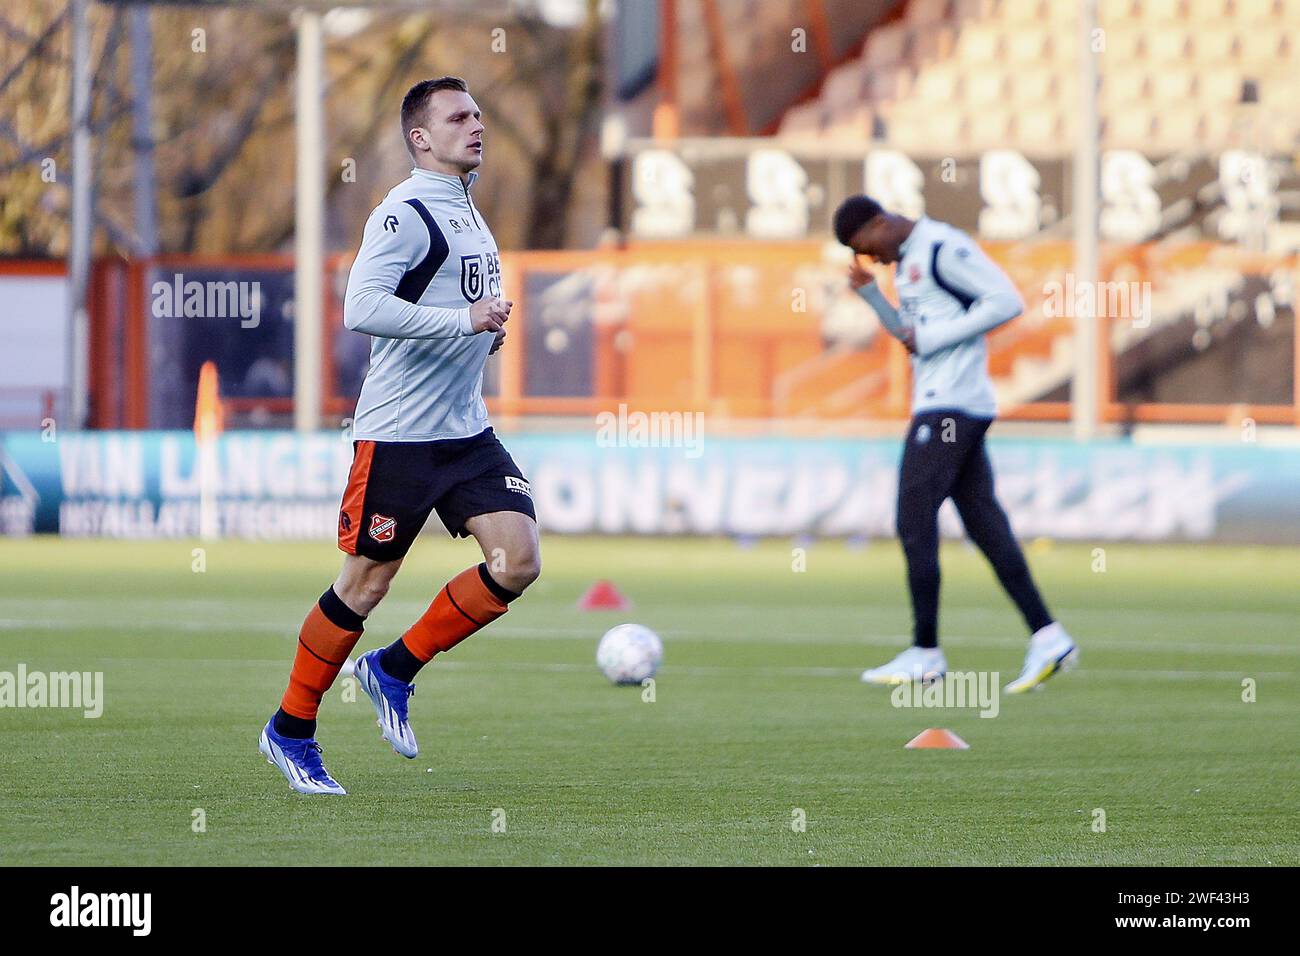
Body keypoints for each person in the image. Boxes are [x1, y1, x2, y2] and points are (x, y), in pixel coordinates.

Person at [259, 76, 541, 794]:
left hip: (465, 431)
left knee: (518, 560)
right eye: (458, 117)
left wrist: (482, 335)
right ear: (421, 138)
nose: (476, 124)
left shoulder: (470, 213)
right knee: (365, 582)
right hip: (400, 435)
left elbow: (456, 306)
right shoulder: (406, 209)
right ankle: (290, 729)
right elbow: (360, 306)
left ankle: (393, 669)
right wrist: (461, 324)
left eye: (478, 112)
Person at [832, 194, 1077, 694]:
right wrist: (874, 298)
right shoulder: (906, 264)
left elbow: (1007, 301)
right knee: (984, 524)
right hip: (944, 401)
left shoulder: (944, 247)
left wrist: (937, 339)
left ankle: (925, 653)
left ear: (881, 223)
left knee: (913, 515)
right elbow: (910, 335)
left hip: (953, 405)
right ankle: (1048, 637)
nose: (871, 259)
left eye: (867, 247)